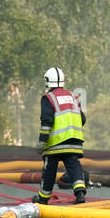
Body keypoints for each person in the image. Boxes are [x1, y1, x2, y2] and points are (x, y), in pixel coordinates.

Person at [37, 67, 87, 205]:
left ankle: (43, 199)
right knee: (74, 167)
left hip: (55, 143)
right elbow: (82, 119)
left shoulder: (48, 98)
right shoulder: (73, 96)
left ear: (47, 81)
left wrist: (42, 142)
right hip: (74, 142)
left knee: (49, 170)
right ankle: (80, 194)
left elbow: (47, 121)